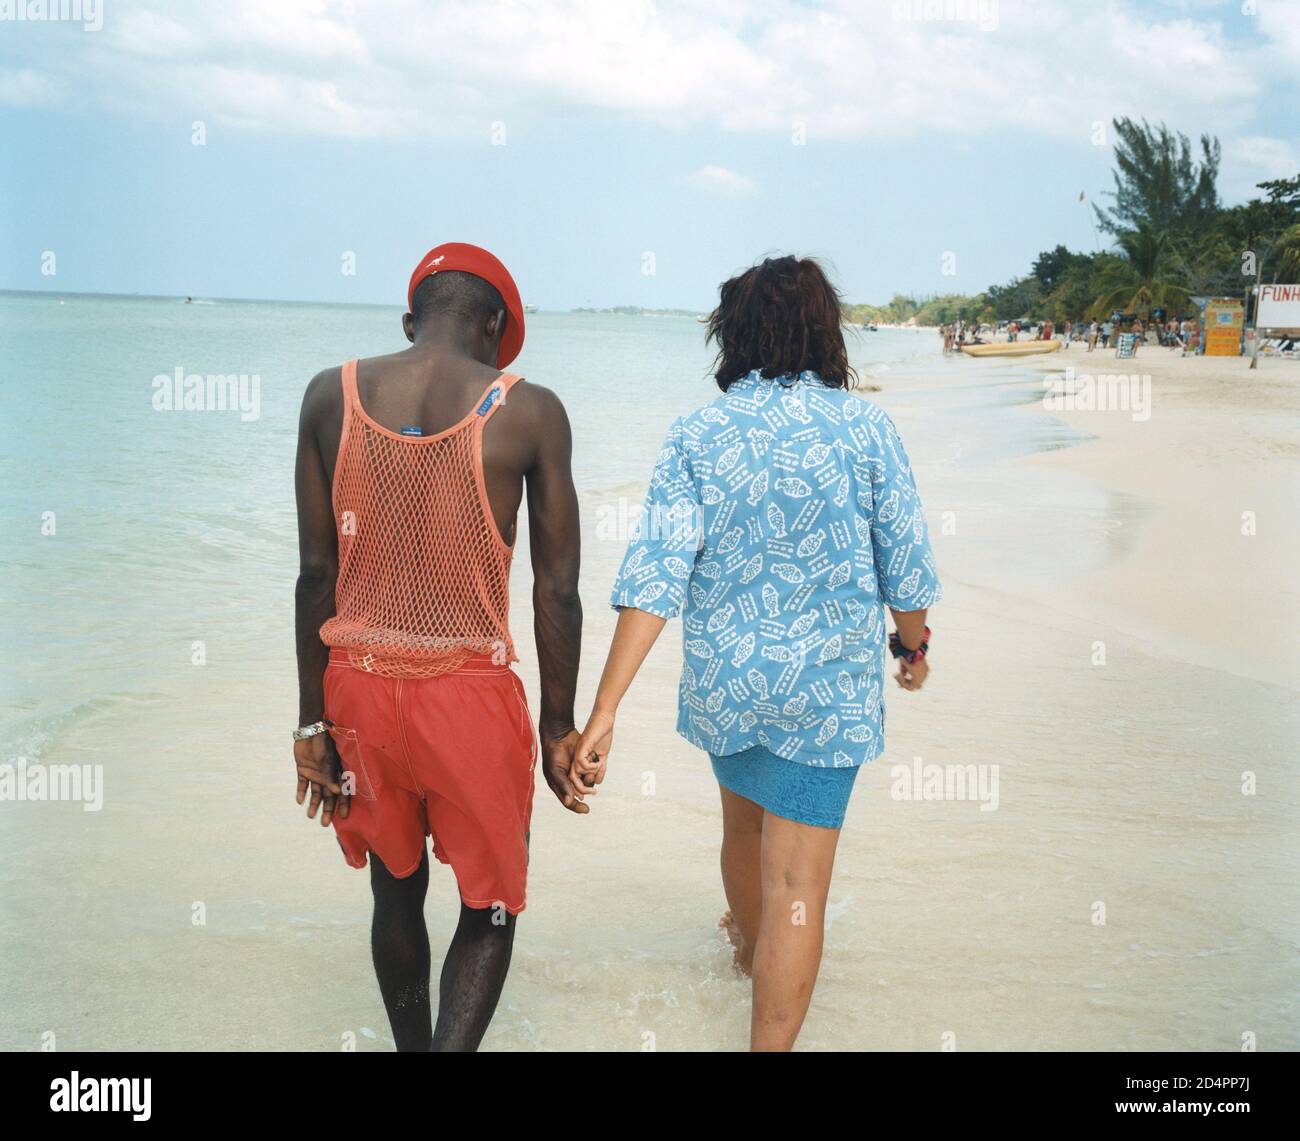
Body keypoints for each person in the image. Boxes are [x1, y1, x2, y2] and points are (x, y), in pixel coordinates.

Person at [571, 255, 942, 1051]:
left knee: (743, 835)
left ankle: (749, 954)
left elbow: (655, 574)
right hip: (824, 697)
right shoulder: (867, 429)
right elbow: (907, 569)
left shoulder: (699, 432)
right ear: (825, 330)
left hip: (726, 686)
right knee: (796, 886)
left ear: (733, 333)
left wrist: (603, 712)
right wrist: (912, 648)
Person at [292, 242, 586, 1052]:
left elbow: (316, 575)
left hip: (356, 685)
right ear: (493, 327)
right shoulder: (528, 411)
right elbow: (555, 589)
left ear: (411, 319)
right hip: (467, 693)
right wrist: (558, 727)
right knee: (490, 906)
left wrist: (310, 724)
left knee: (395, 890)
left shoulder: (330, 396)